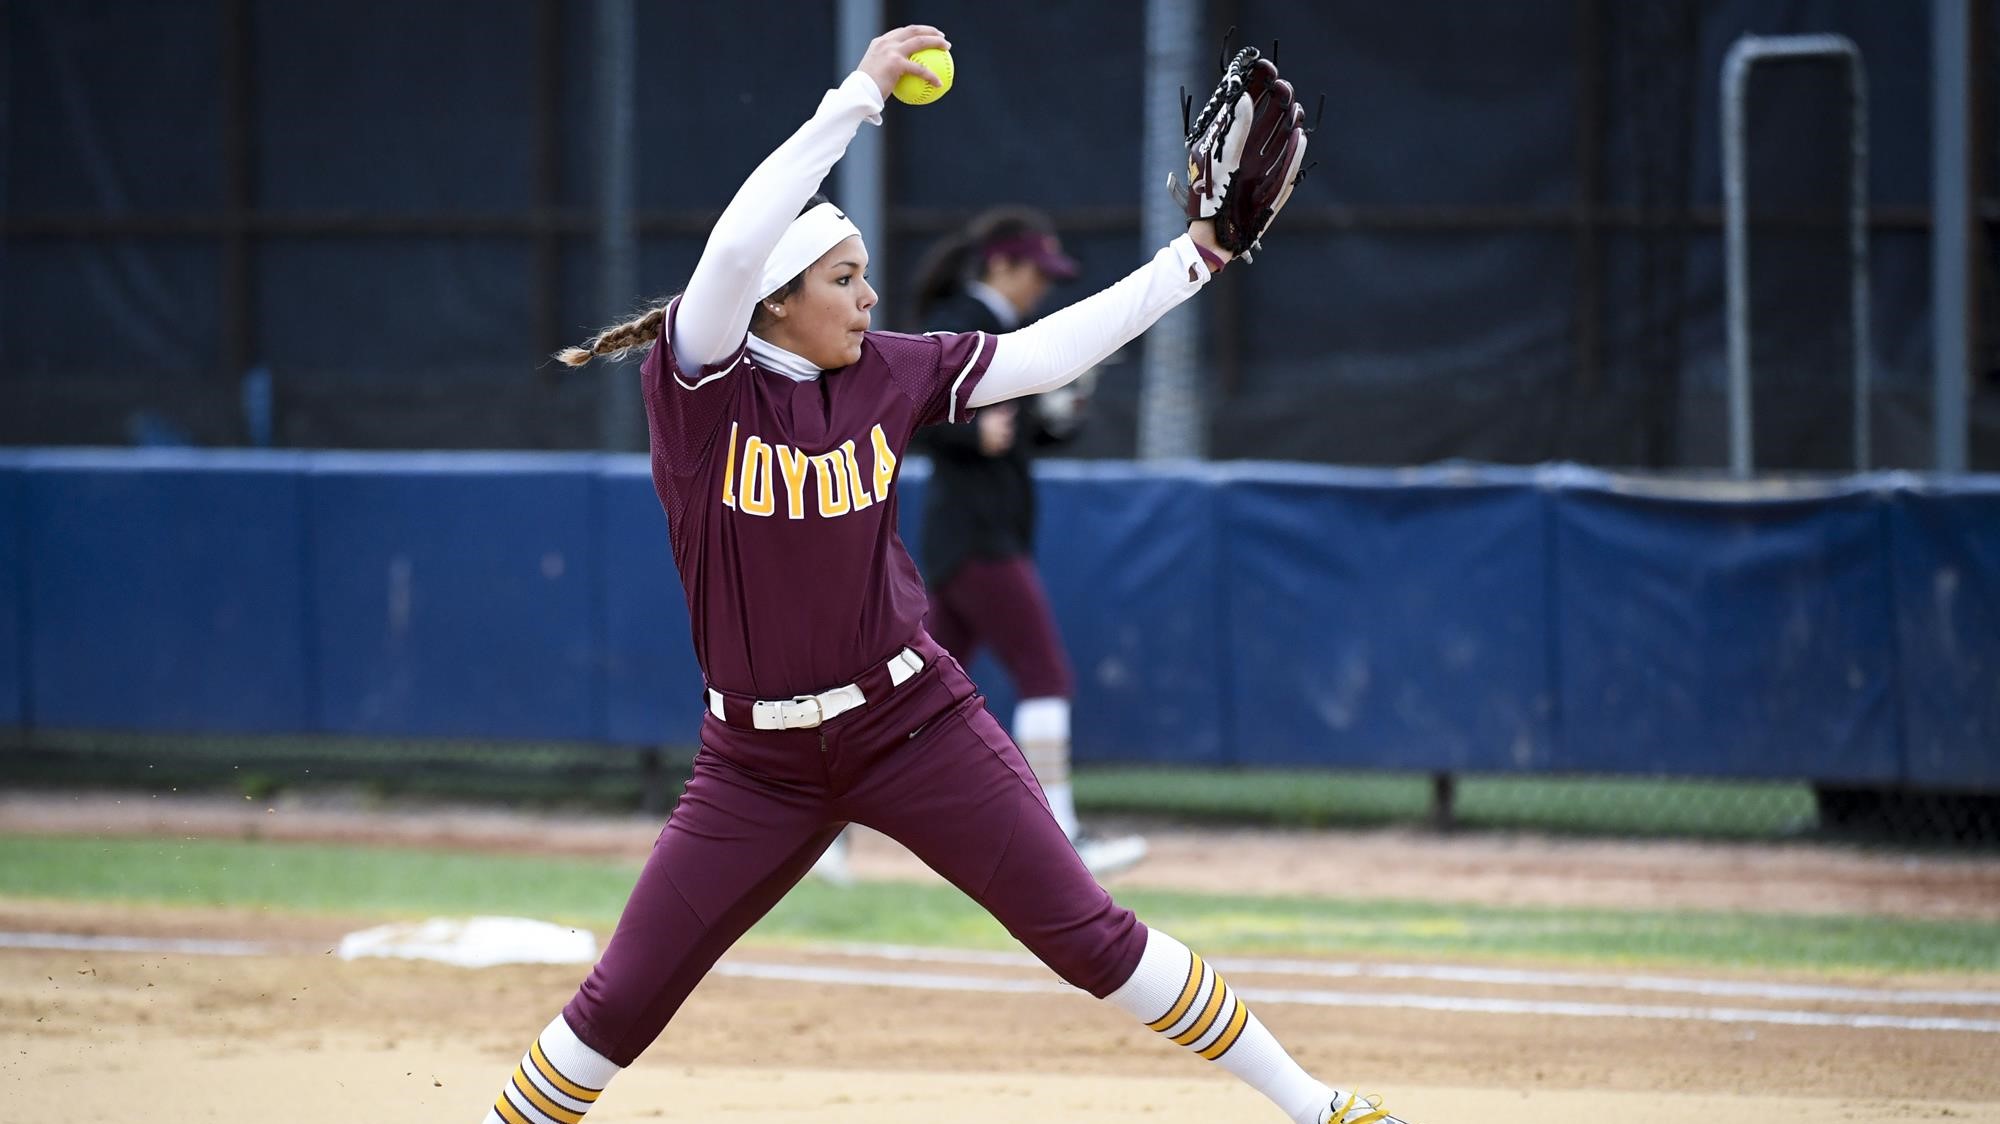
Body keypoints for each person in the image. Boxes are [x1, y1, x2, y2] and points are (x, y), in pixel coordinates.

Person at [483, 26, 1406, 1124]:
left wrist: (1193, 258)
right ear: (777, 300)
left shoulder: (889, 372)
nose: (870, 296)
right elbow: (733, 248)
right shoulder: (702, 386)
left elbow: (1049, 351)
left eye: (865, 275)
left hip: (912, 724)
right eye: (843, 278)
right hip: (755, 763)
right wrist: (854, 99)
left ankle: (1320, 1106)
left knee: (1088, 934)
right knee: (621, 1001)